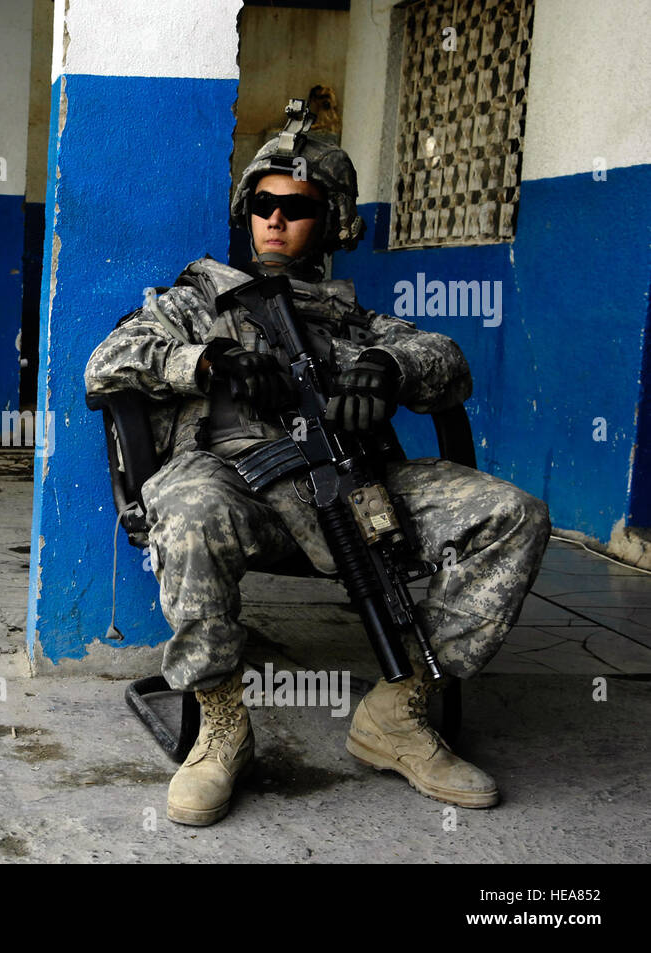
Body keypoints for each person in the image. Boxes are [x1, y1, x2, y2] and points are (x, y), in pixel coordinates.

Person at [84, 108, 551, 826]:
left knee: (514, 515)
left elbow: (449, 362)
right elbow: (106, 364)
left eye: (295, 208)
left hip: (353, 489)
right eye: (262, 205)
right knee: (189, 508)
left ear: (331, 221)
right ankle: (220, 725)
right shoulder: (198, 300)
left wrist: (386, 369)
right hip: (235, 487)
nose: (274, 220)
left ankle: (400, 707)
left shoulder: (354, 321)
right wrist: (204, 361)